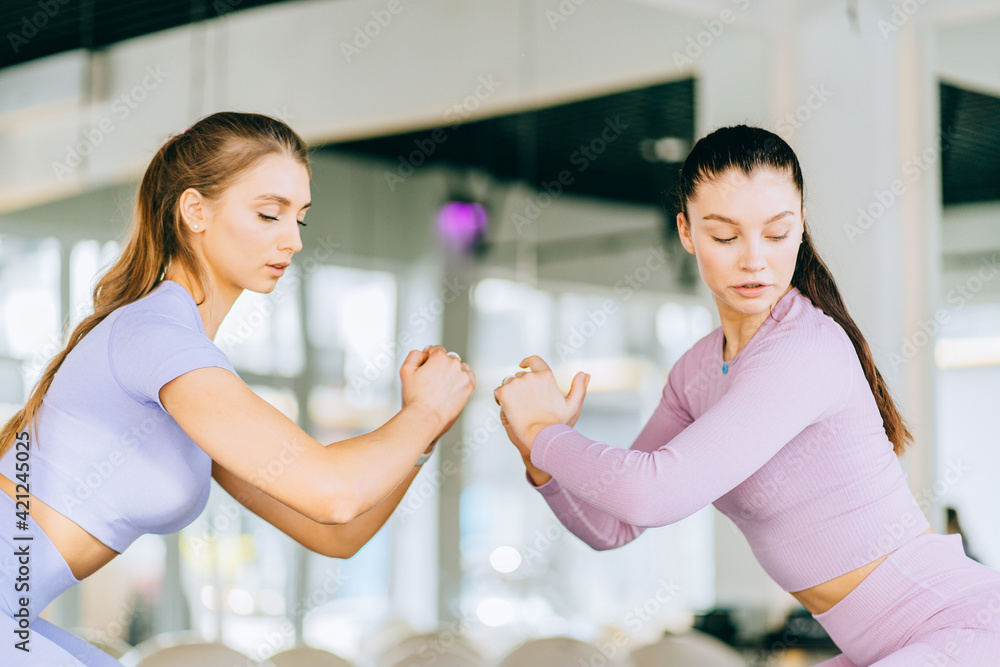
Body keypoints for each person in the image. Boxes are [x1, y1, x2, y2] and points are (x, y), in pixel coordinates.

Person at [493, 125, 1000, 666]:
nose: (754, 259)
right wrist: (539, 457)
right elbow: (612, 526)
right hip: (875, 645)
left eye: (777, 234)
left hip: (962, 627)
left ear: (800, 228)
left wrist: (544, 433)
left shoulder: (804, 348)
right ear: (686, 232)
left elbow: (653, 493)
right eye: (725, 236)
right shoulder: (695, 373)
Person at [0, 111, 476, 666]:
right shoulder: (156, 337)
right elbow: (336, 492)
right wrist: (421, 411)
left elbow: (334, 533)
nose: (292, 240)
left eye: (300, 218)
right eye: (268, 214)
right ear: (195, 210)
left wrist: (426, 427)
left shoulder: (187, 368)